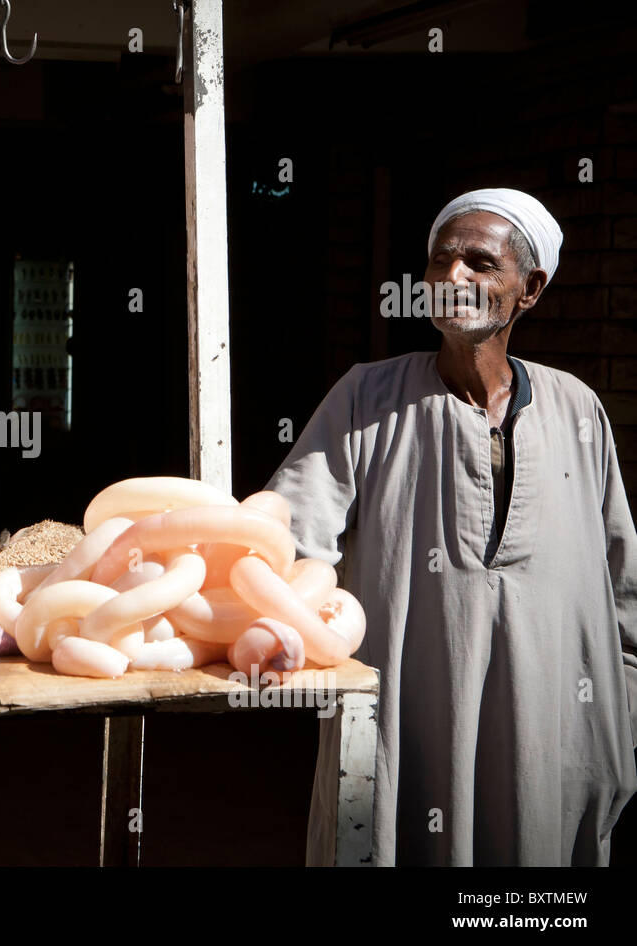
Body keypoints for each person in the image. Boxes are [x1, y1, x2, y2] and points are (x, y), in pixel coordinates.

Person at [266, 187, 637, 865]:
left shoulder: (577, 408)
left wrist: (621, 718)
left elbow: (621, 586)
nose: (452, 279)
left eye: (478, 262)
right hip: (406, 725)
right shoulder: (366, 397)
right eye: (440, 262)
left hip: (555, 735)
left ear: (529, 289)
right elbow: (285, 542)